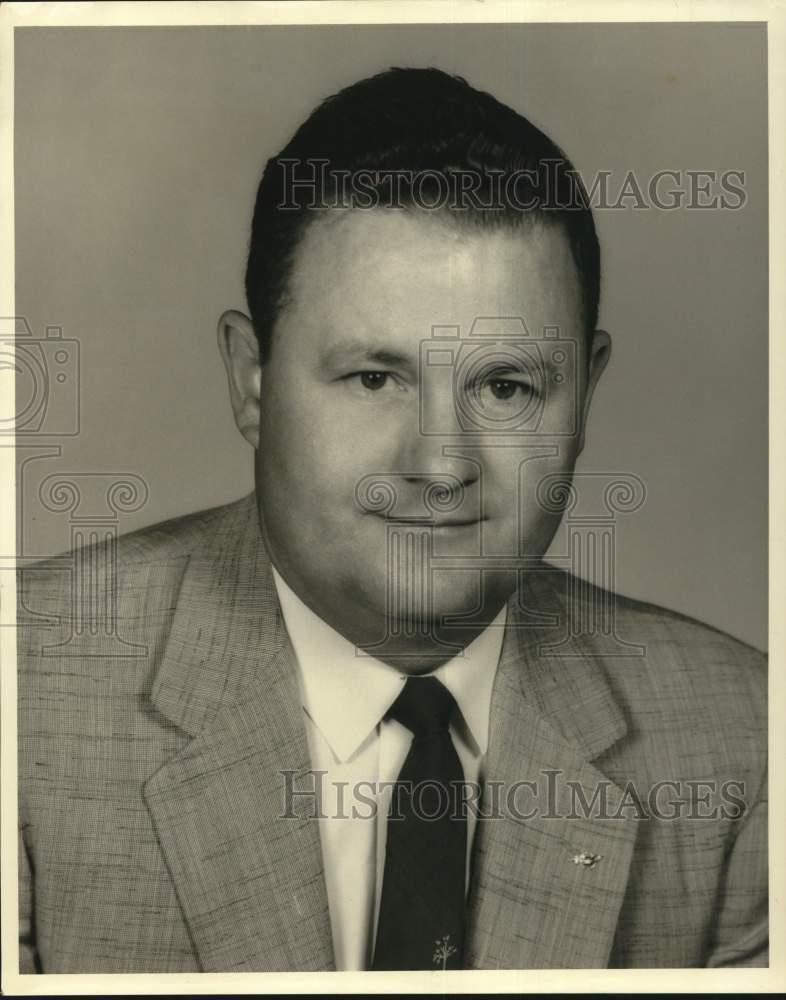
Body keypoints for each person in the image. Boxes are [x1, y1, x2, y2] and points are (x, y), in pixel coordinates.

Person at [17, 67, 767, 973]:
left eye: (505, 386)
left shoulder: (745, 746)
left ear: (586, 394)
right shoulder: (27, 703)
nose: (442, 464)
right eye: (375, 378)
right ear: (250, 380)